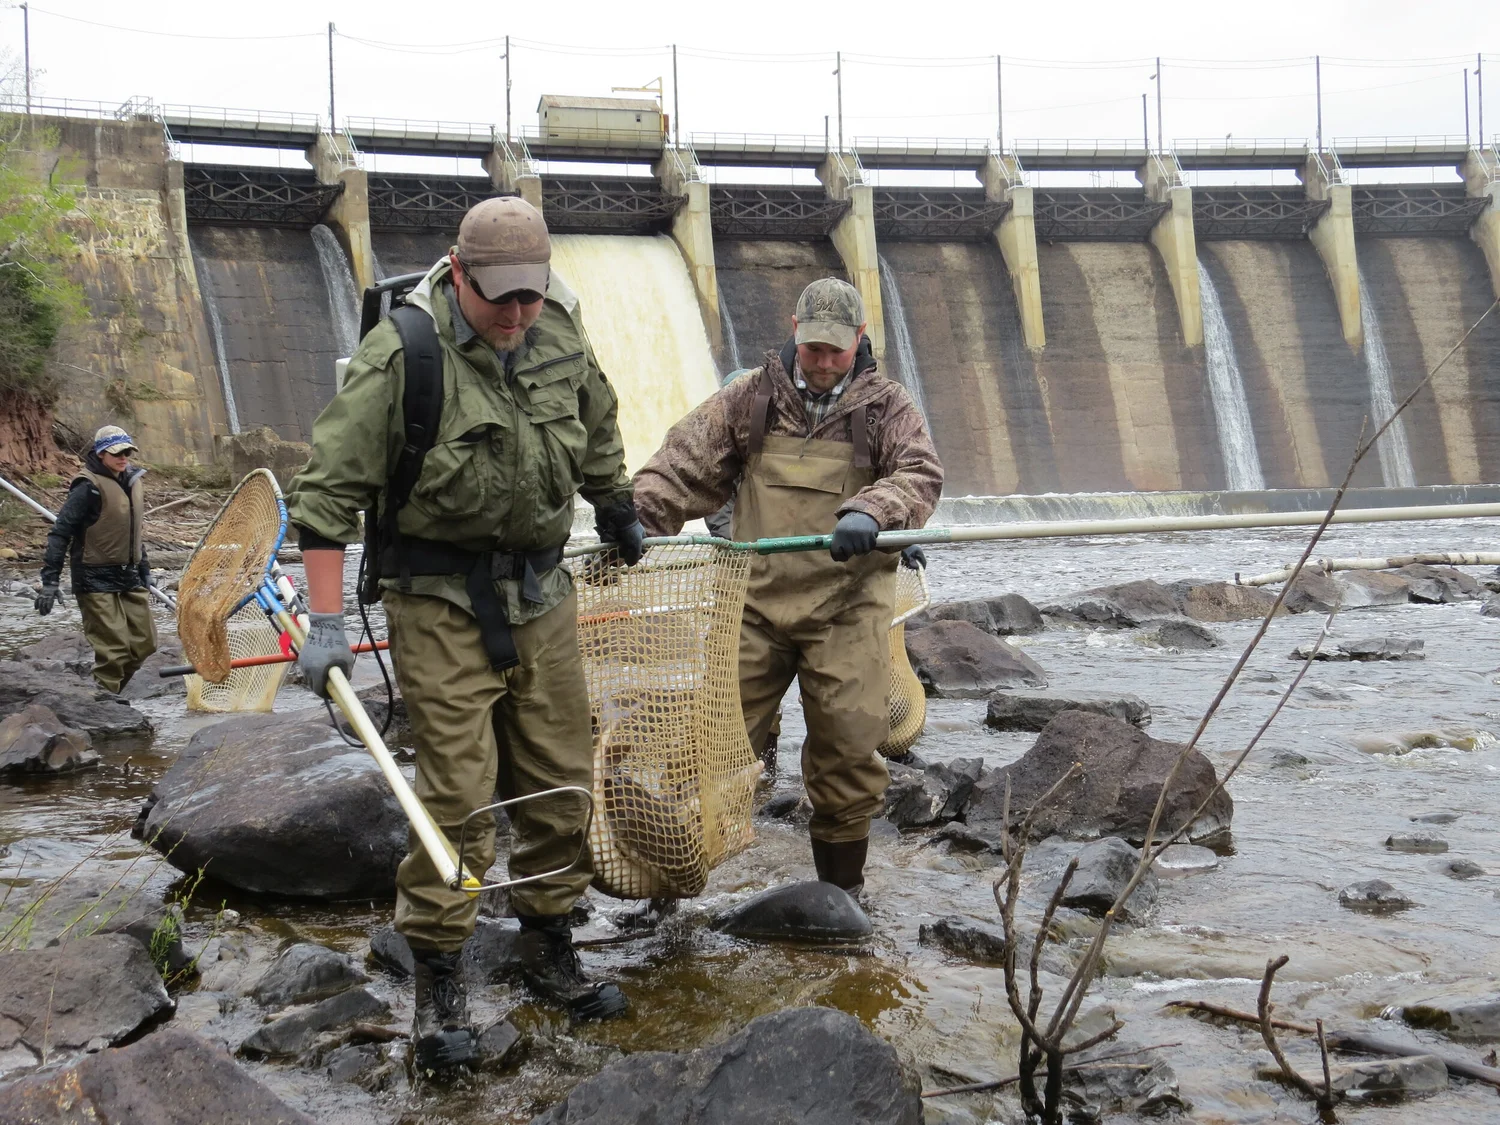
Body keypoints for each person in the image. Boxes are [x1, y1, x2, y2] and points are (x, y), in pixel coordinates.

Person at [285, 197, 643, 1071]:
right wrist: (324, 622)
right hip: (437, 600)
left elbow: (596, 423)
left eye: (529, 296)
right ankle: (439, 976)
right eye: (499, 300)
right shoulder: (403, 353)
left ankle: (548, 942)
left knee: (560, 777)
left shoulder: (558, 330)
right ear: (458, 270)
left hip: (542, 592)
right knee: (458, 794)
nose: (516, 316)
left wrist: (617, 502)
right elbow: (326, 496)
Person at [632, 277, 943, 897]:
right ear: (794, 334)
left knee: (849, 760)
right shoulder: (749, 399)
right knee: (709, 753)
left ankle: (841, 898)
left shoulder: (888, 406)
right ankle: (667, 895)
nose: (824, 364)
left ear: (859, 340)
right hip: (754, 608)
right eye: (813, 350)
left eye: (836, 351)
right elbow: (680, 466)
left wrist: (876, 510)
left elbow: (921, 474)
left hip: (847, 610)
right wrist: (638, 519)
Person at [36, 425, 159, 693]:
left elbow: (132, 532)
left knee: (145, 644)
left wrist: (145, 569)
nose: (123, 457)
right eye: (117, 452)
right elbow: (60, 533)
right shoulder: (86, 487)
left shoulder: (133, 480)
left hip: (130, 574)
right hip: (93, 577)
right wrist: (50, 581)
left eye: (127, 451)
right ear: (101, 453)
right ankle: (106, 703)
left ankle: (106, 695)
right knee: (113, 650)